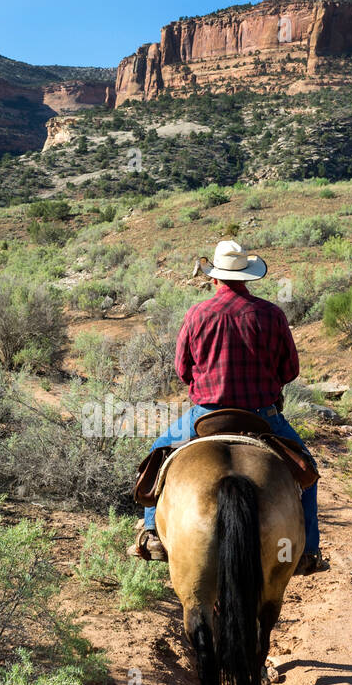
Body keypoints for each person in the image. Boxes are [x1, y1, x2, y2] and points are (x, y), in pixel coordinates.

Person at [129, 240, 328, 575]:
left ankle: (151, 535)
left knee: (157, 452)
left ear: (215, 278)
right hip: (262, 416)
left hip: (205, 414)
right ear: (247, 277)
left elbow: (182, 369)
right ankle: (307, 551)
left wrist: (204, 383)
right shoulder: (271, 314)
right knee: (306, 470)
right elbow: (290, 370)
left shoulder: (197, 314)